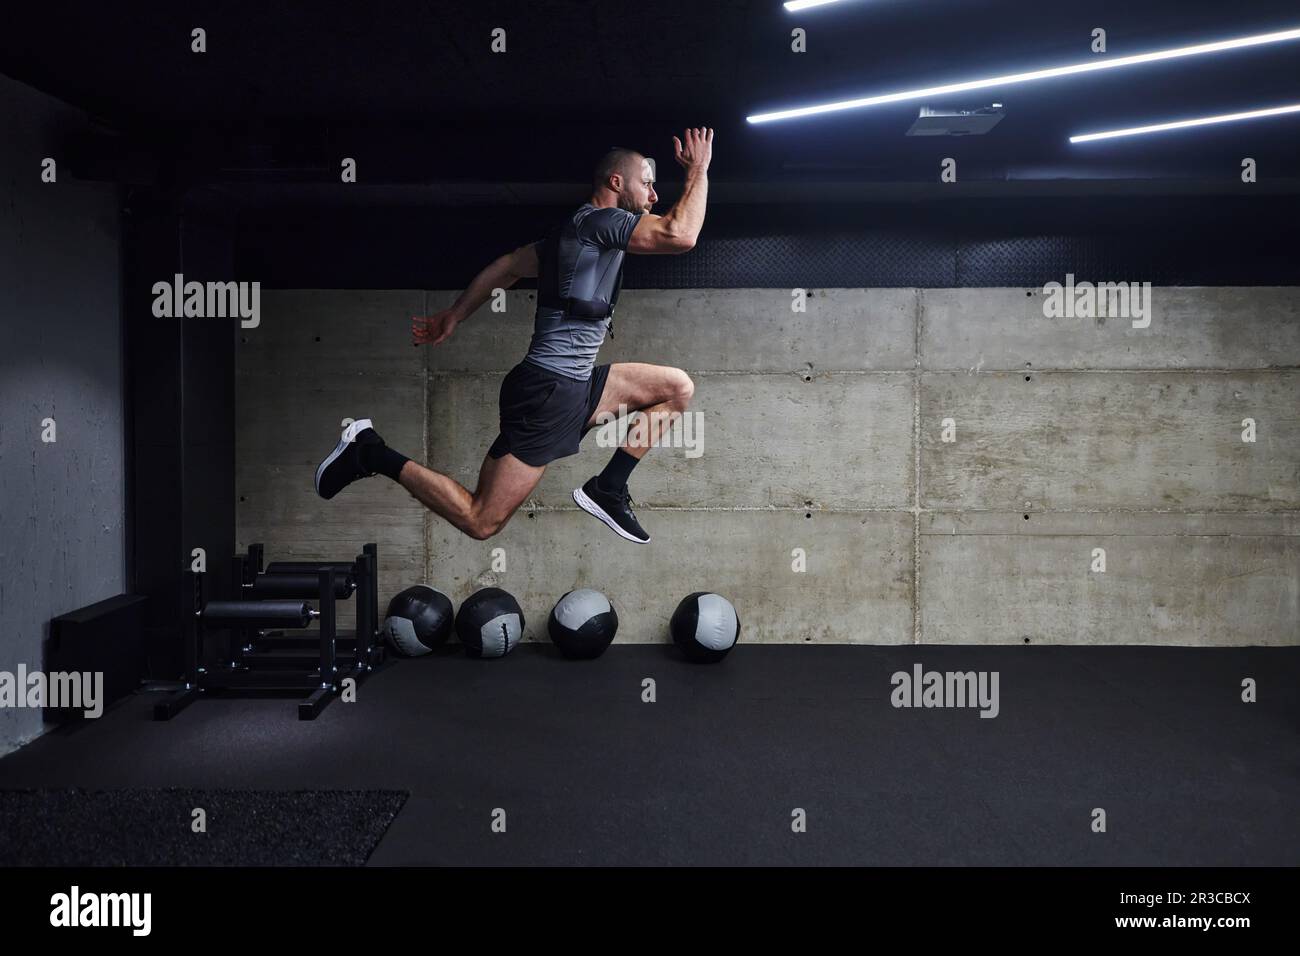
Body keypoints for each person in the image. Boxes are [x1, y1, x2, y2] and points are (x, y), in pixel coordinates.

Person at [315, 127, 714, 544]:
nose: (653, 196)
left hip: (573, 386)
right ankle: (370, 451)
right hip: (549, 393)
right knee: (481, 519)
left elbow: (507, 267)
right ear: (616, 183)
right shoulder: (601, 221)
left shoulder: (572, 234)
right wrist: (698, 170)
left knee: (676, 388)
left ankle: (608, 489)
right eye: (646, 184)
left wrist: (456, 313)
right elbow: (679, 235)